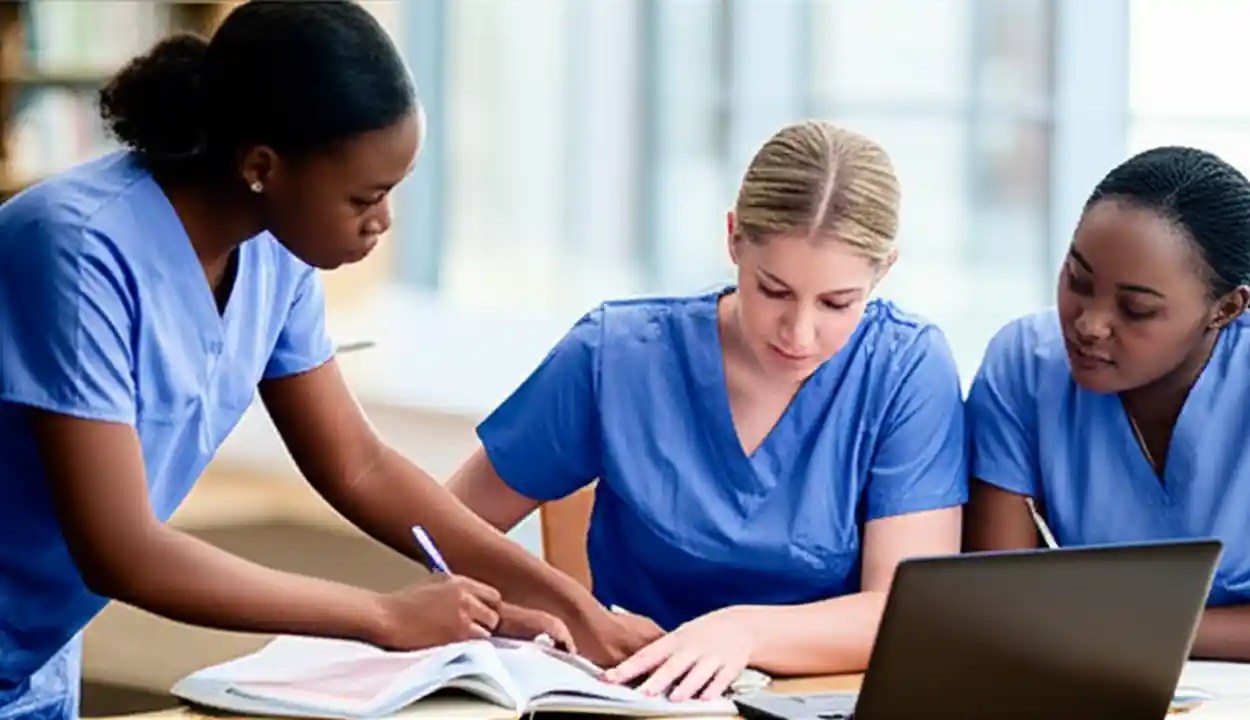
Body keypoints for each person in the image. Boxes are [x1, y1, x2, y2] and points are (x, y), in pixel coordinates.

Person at [0, 2, 656, 718]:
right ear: (262, 167)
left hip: (37, 652)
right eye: (364, 197)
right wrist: (382, 616)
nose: (384, 221)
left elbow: (358, 466)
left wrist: (568, 605)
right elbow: (121, 549)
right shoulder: (74, 248)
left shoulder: (275, 255)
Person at [447, 119, 969, 700]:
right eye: (773, 290)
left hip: (819, 705)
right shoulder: (614, 355)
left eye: (837, 303)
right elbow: (442, 532)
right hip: (630, 701)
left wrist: (740, 631)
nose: (799, 332)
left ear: (884, 271)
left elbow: (901, 612)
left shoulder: (906, 369)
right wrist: (563, 614)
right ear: (734, 239)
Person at [964, 145, 1250, 662]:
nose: (1088, 324)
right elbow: (997, 606)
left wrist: (1133, 628)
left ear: (1225, 309)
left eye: (1136, 309)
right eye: (1077, 280)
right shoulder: (1025, 363)